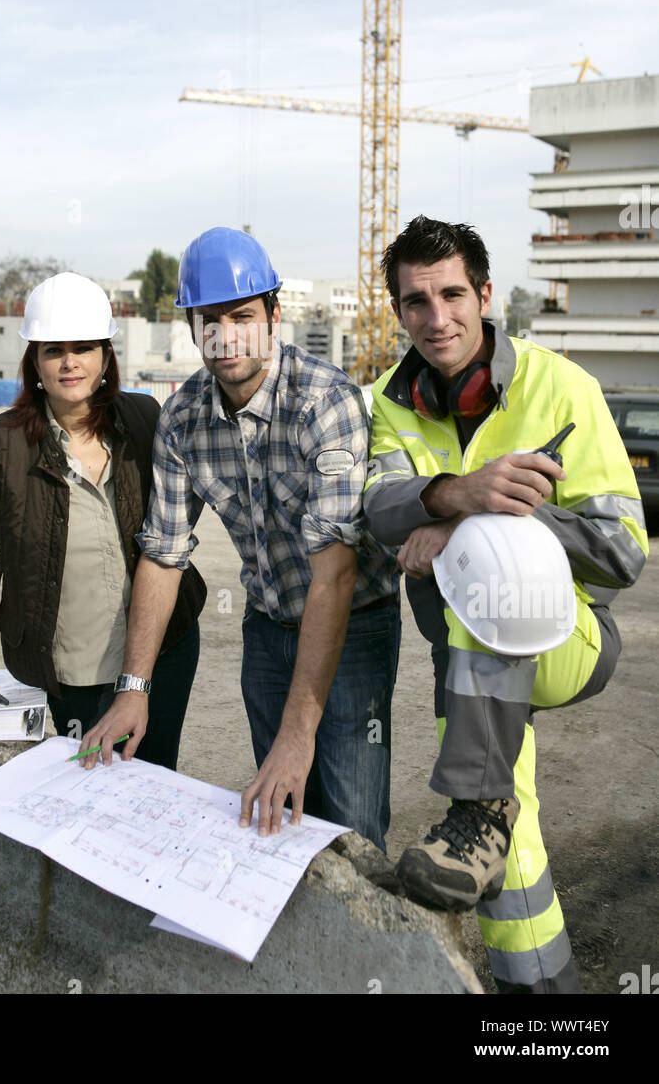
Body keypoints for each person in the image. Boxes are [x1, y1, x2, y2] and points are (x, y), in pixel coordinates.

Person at [363, 214, 648, 994]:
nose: (437, 317)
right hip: (470, 660)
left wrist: (486, 518)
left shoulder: (563, 386)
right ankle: (542, 1001)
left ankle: (477, 811)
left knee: (492, 552)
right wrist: (453, 495)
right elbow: (379, 508)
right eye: (416, 302)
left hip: (569, 636)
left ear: (485, 296)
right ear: (399, 312)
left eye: (453, 294)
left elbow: (625, 552)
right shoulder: (389, 401)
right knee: (499, 853)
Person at [79, 227, 401, 849]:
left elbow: (335, 572)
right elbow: (163, 555)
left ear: (274, 316)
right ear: (191, 328)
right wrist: (133, 690)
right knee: (283, 819)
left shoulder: (324, 402)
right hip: (268, 630)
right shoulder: (183, 419)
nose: (225, 336)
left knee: (352, 829)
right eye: (209, 320)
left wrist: (297, 735)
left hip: (354, 625)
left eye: (242, 316)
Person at [0, 272, 206, 769]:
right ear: (34, 362)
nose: (69, 362)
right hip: (71, 667)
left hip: (163, 650)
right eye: (53, 350)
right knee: (86, 784)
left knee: (153, 778)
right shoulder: (2, 444)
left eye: (83, 347)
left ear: (106, 356)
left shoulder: (145, 419)